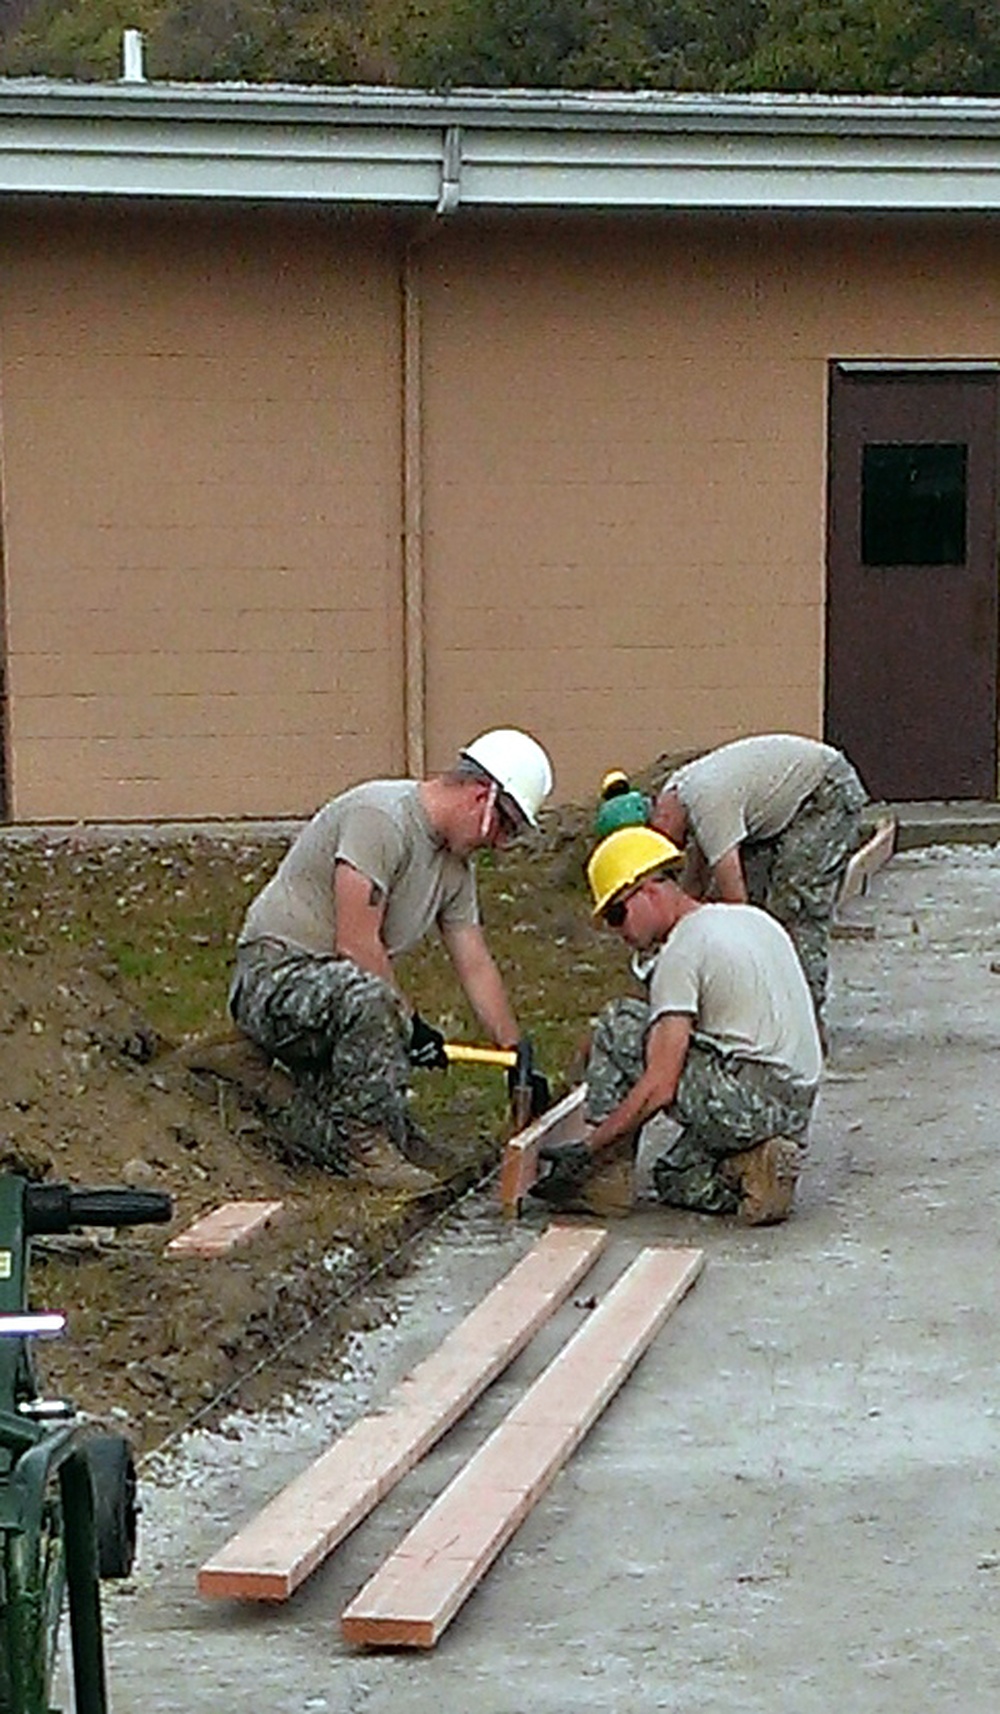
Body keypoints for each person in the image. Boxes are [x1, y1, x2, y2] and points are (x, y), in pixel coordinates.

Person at [228, 728, 553, 1194]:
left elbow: (475, 962)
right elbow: (356, 943)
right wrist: (412, 1025)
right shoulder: (380, 818)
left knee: (320, 1132)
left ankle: (245, 1069)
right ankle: (366, 1146)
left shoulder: (455, 869)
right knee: (373, 1001)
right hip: (273, 978)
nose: (501, 844)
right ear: (482, 796)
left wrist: (515, 1053)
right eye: (505, 827)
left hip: (331, 997)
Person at [532, 825, 822, 1224]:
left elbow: (660, 1085)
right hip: (794, 1107)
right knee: (674, 1176)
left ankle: (602, 1181)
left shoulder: (682, 950)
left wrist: (589, 1148)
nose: (620, 934)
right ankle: (756, 1167)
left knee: (619, 1023)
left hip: (745, 1101)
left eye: (617, 915)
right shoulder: (751, 920)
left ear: (649, 891)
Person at [649, 734, 867, 1034]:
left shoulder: (706, 800)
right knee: (744, 905)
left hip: (823, 793)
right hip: (782, 811)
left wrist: (740, 952)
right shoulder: (687, 796)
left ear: (661, 813)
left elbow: (736, 899)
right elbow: (696, 884)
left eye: (661, 838)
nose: (669, 848)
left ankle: (804, 1027)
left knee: (794, 908)